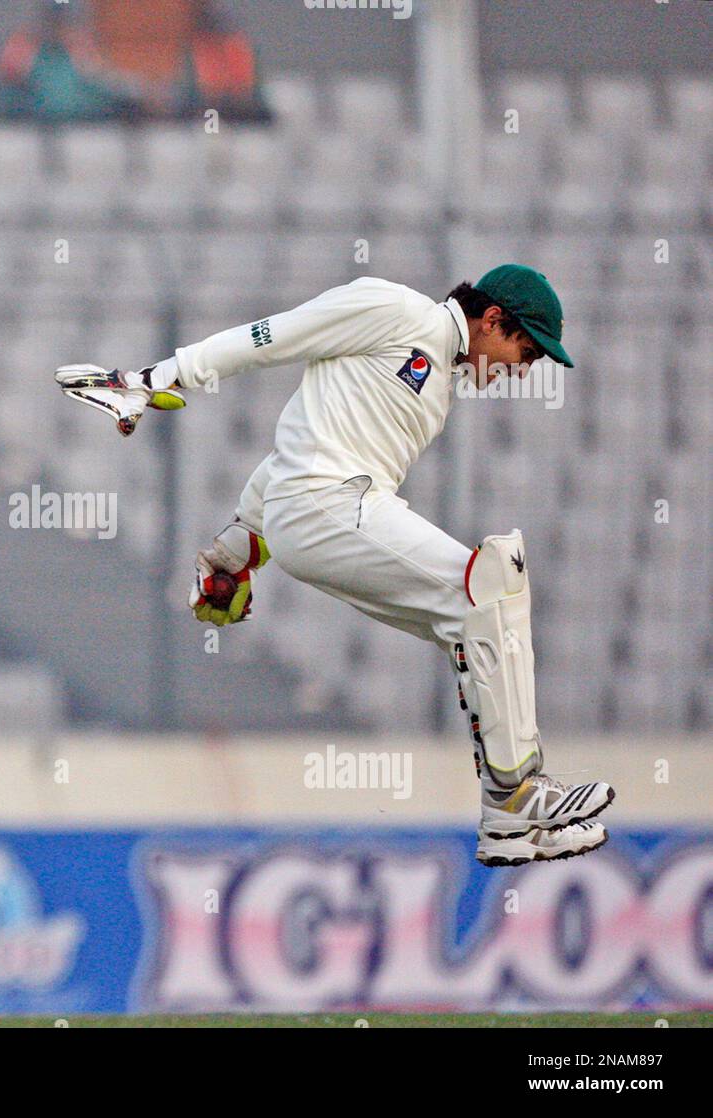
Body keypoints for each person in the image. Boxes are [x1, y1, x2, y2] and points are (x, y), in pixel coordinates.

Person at [56, 267, 615, 867]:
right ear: (492, 319)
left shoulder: (437, 382)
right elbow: (274, 336)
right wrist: (160, 376)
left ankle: (511, 820)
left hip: (320, 510)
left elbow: (300, 448)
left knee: (486, 606)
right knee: (491, 582)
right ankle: (515, 798)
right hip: (327, 505)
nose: (521, 370)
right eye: (523, 351)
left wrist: (236, 550)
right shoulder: (400, 310)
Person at [0, 0, 141, 123]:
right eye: (54, 20)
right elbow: (7, 80)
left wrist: (81, 55)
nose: (59, 27)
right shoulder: (26, 45)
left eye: (64, 21)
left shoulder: (83, 47)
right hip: (36, 121)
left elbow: (104, 82)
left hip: (83, 121)